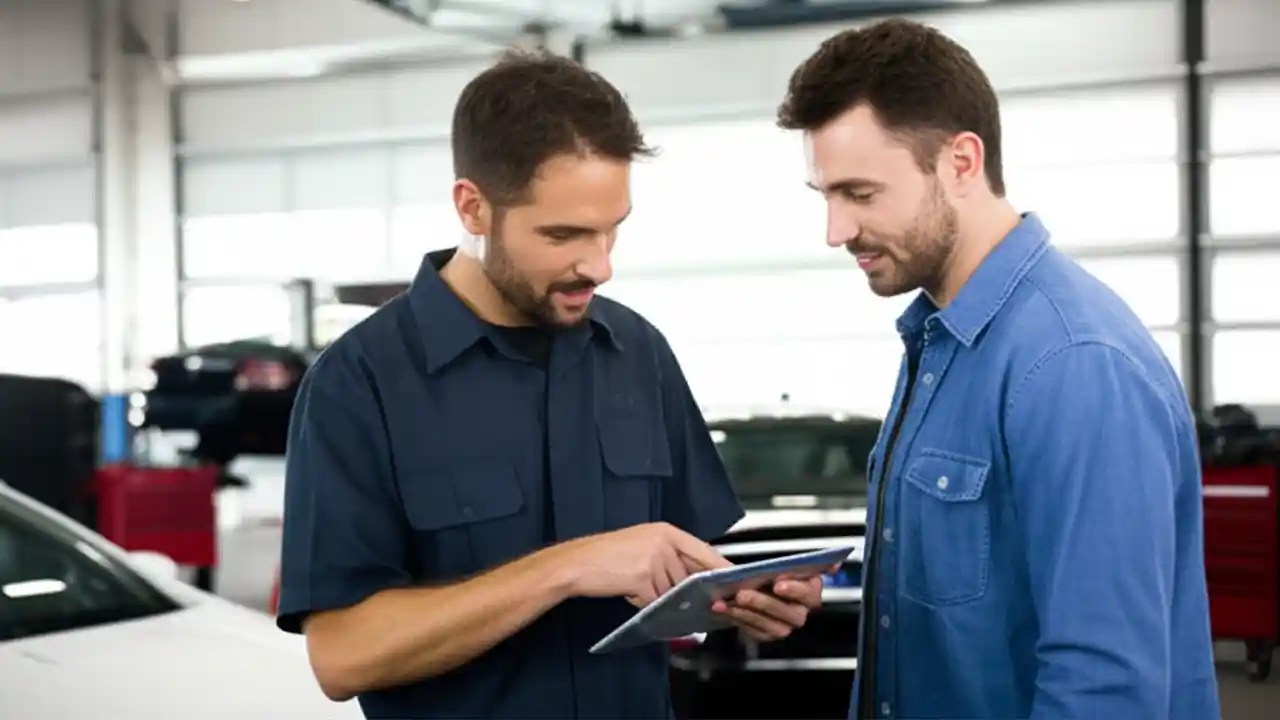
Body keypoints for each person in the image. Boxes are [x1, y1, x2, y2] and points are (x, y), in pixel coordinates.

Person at [275, 49, 825, 720]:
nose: (600, 266)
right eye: (563, 234)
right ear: (473, 208)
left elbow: (684, 572)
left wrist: (746, 598)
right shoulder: (358, 385)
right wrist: (564, 570)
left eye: (612, 230)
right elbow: (342, 658)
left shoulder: (637, 353)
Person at [775, 17, 1220, 720]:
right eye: (825, 196)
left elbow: (1105, 686)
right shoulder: (942, 342)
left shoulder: (1072, 364)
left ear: (960, 162)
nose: (836, 231)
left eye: (859, 194)